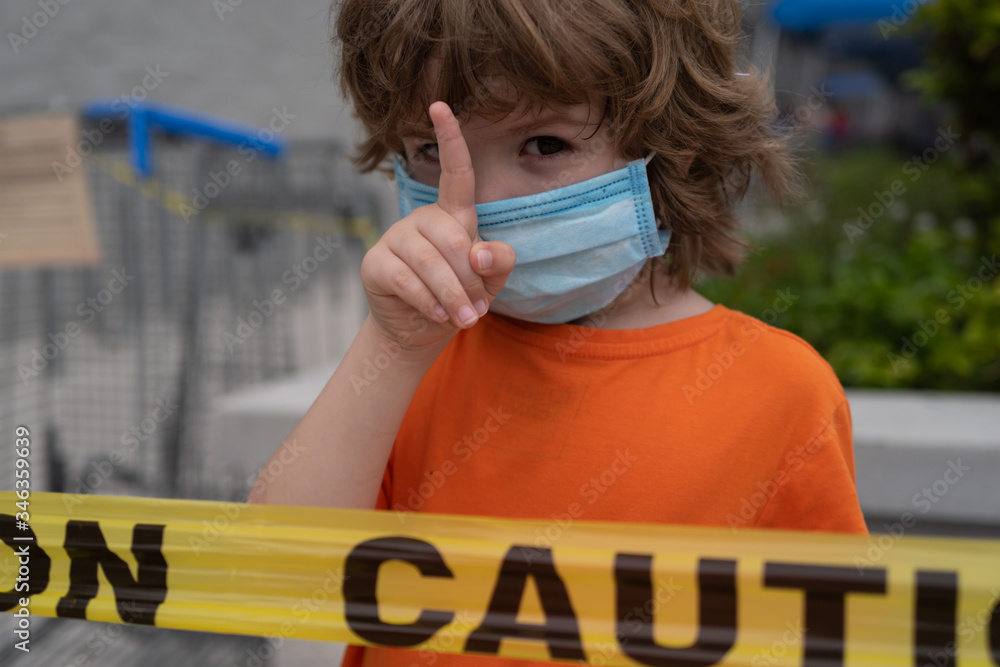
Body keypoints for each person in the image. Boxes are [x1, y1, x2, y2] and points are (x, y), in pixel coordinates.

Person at [252, 0, 868, 664]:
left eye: (545, 144)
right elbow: (277, 575)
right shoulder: (408, 363)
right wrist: (392, 345)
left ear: (678, 150)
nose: (481, 202)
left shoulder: (779, 391)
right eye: (433, 150)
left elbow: (840, 637)